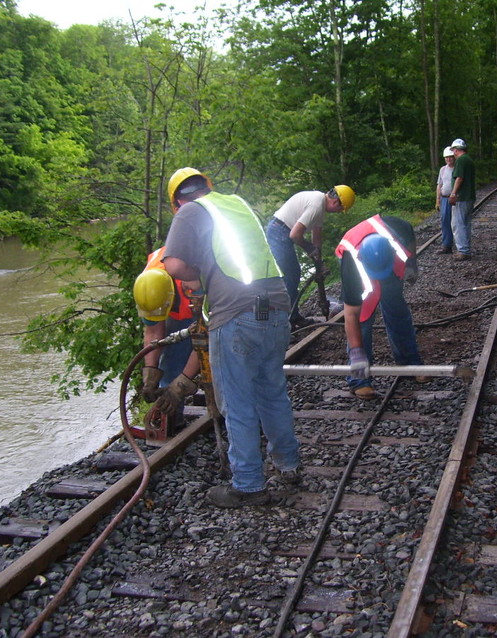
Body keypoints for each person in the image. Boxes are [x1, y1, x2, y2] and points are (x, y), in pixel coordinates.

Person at [161, 167, 301, 507]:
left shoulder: (190, 211)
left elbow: (174, 266)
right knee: (271, 389)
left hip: (236, 314)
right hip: (275, 305)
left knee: (237, 400)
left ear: (176, 201)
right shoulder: (236, 203)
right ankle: (288, 464)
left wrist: (203, 276)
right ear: (207, 186)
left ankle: (249, 484)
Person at [335, 214, 427, 399]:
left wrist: (411, 264)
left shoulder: (398, 228)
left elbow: (410, 236)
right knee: (363, 320)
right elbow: (351, 315)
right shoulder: (352, 264)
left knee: (397, 310)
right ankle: (359, 378)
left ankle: (410, 362)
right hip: (362, 266)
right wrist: (357, 354)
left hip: (387, 265)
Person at [266, 186, 356, 328]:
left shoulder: (319, 203)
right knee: (290, 277)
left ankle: (293, 318)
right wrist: (310, 249)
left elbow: (317, 237)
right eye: (340, 210)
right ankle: (286, 323)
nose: (337, 213)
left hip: (281, 231)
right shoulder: (316, 205)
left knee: (293, 275)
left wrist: (318, 260)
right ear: (336, 203)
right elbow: (295, 235)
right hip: (279, 232)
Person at [133, 251, 201, 432]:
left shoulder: (195, 277)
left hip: (220, 303)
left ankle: (228, 410)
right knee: (170, 361)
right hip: (179, 307)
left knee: (221, 358)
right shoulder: (149, 283)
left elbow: (207, 338)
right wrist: (151, 373)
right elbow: (153, 330)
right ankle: (171, 421)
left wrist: (182, 384)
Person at [447, 138, 476, 261]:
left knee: (458, 224)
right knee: (465, 223)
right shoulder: (469, 160)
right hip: (469, 196)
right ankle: (466, 248)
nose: (453, 152)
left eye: (453, 150)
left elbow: (459, 178)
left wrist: (453, 194)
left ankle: (463, 251)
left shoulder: (461, 160)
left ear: (457, 150)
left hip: (461, 197)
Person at [436, 147, 456, 254]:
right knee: (445, 222)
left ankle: (459, 245)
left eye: (450, 157)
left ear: (454, 157)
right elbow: (439, 185)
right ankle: (446, 245)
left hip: (456, 199)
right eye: (446, 157)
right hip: (444, 198)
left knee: (456, 222)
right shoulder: (442, 170)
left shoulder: (457, 168)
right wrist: (437, 201)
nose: (448, 159)